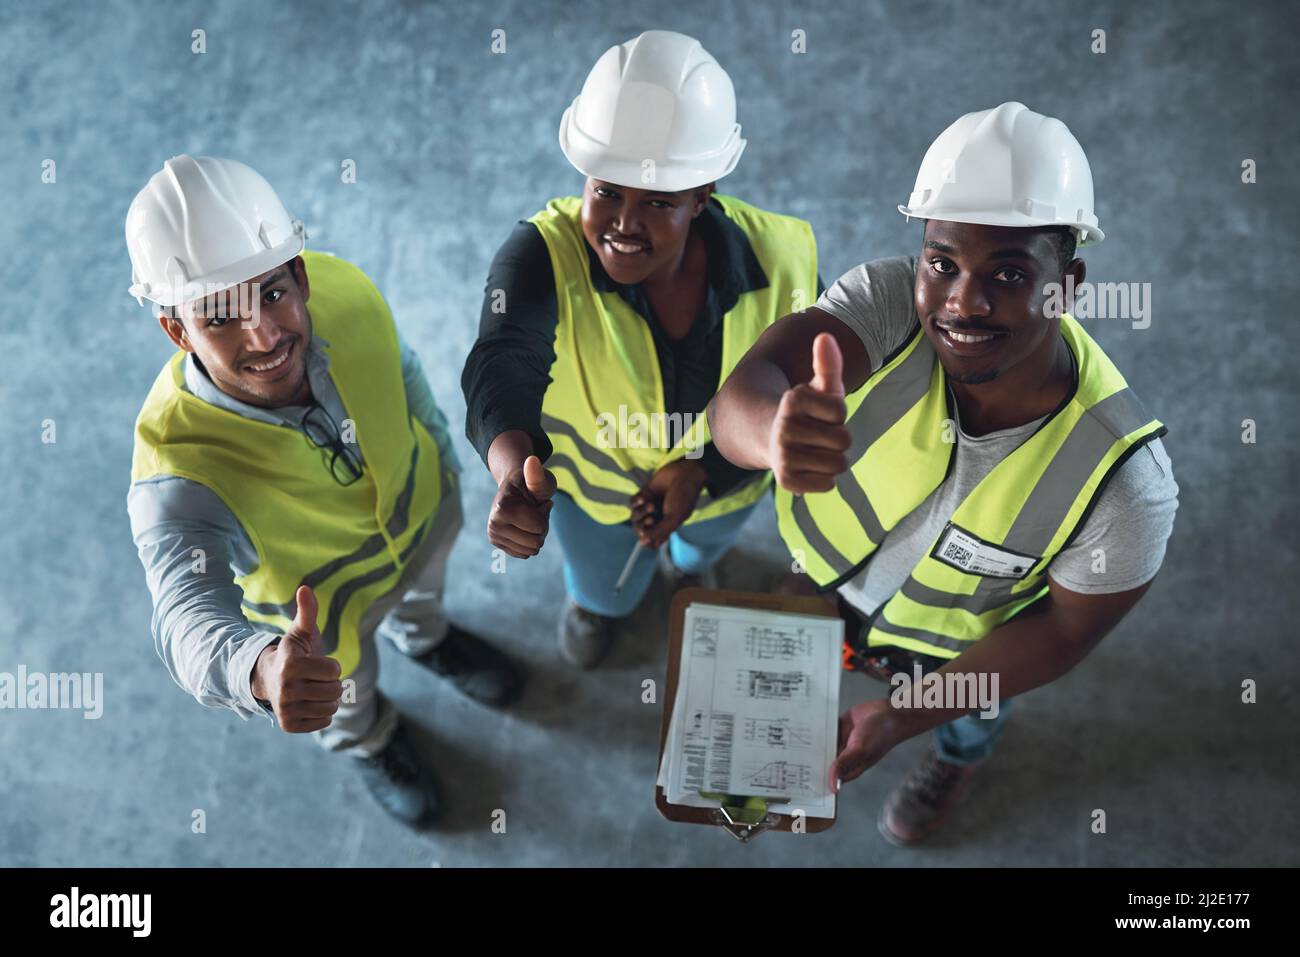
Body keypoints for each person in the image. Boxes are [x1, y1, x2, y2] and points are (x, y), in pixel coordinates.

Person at [708, 102, 1179, 846]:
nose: (964, 300)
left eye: (1011, 273)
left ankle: (954, 759)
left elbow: (1059, 634)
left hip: (956, 655)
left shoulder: (1127, 483)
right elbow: (745, 389)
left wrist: (906, 713)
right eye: (943, 263)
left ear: (1070, 283)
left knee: (969, 723)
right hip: (823, 576)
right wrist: (772, 432)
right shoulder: (890, 303)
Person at [125, 155, 523, 827]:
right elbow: (183, 615)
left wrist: (444, 457)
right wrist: (261, 668)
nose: (265, 335)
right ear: (177, 329)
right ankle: (369, 737)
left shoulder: (341, 289)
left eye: (273, 293)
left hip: (425, 520)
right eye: (219, 316)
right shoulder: (176, 466)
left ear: (299, 275)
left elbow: (403, 370)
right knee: (342, 693)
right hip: (321, 631)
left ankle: (423, 637)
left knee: (423, 598)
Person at [462, 30, 821, 667]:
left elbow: (799, 396)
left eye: (658, 201)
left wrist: (704, 473)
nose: (625, 223)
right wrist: (512, 470)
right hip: (593, 499)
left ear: (702, 195)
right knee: (606, 582)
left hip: (727, 488)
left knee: (700, 548)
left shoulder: (786, 263)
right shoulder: (541, 255)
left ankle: (688, 570)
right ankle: (598, 605)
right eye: (606, 192)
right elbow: (503, 360)